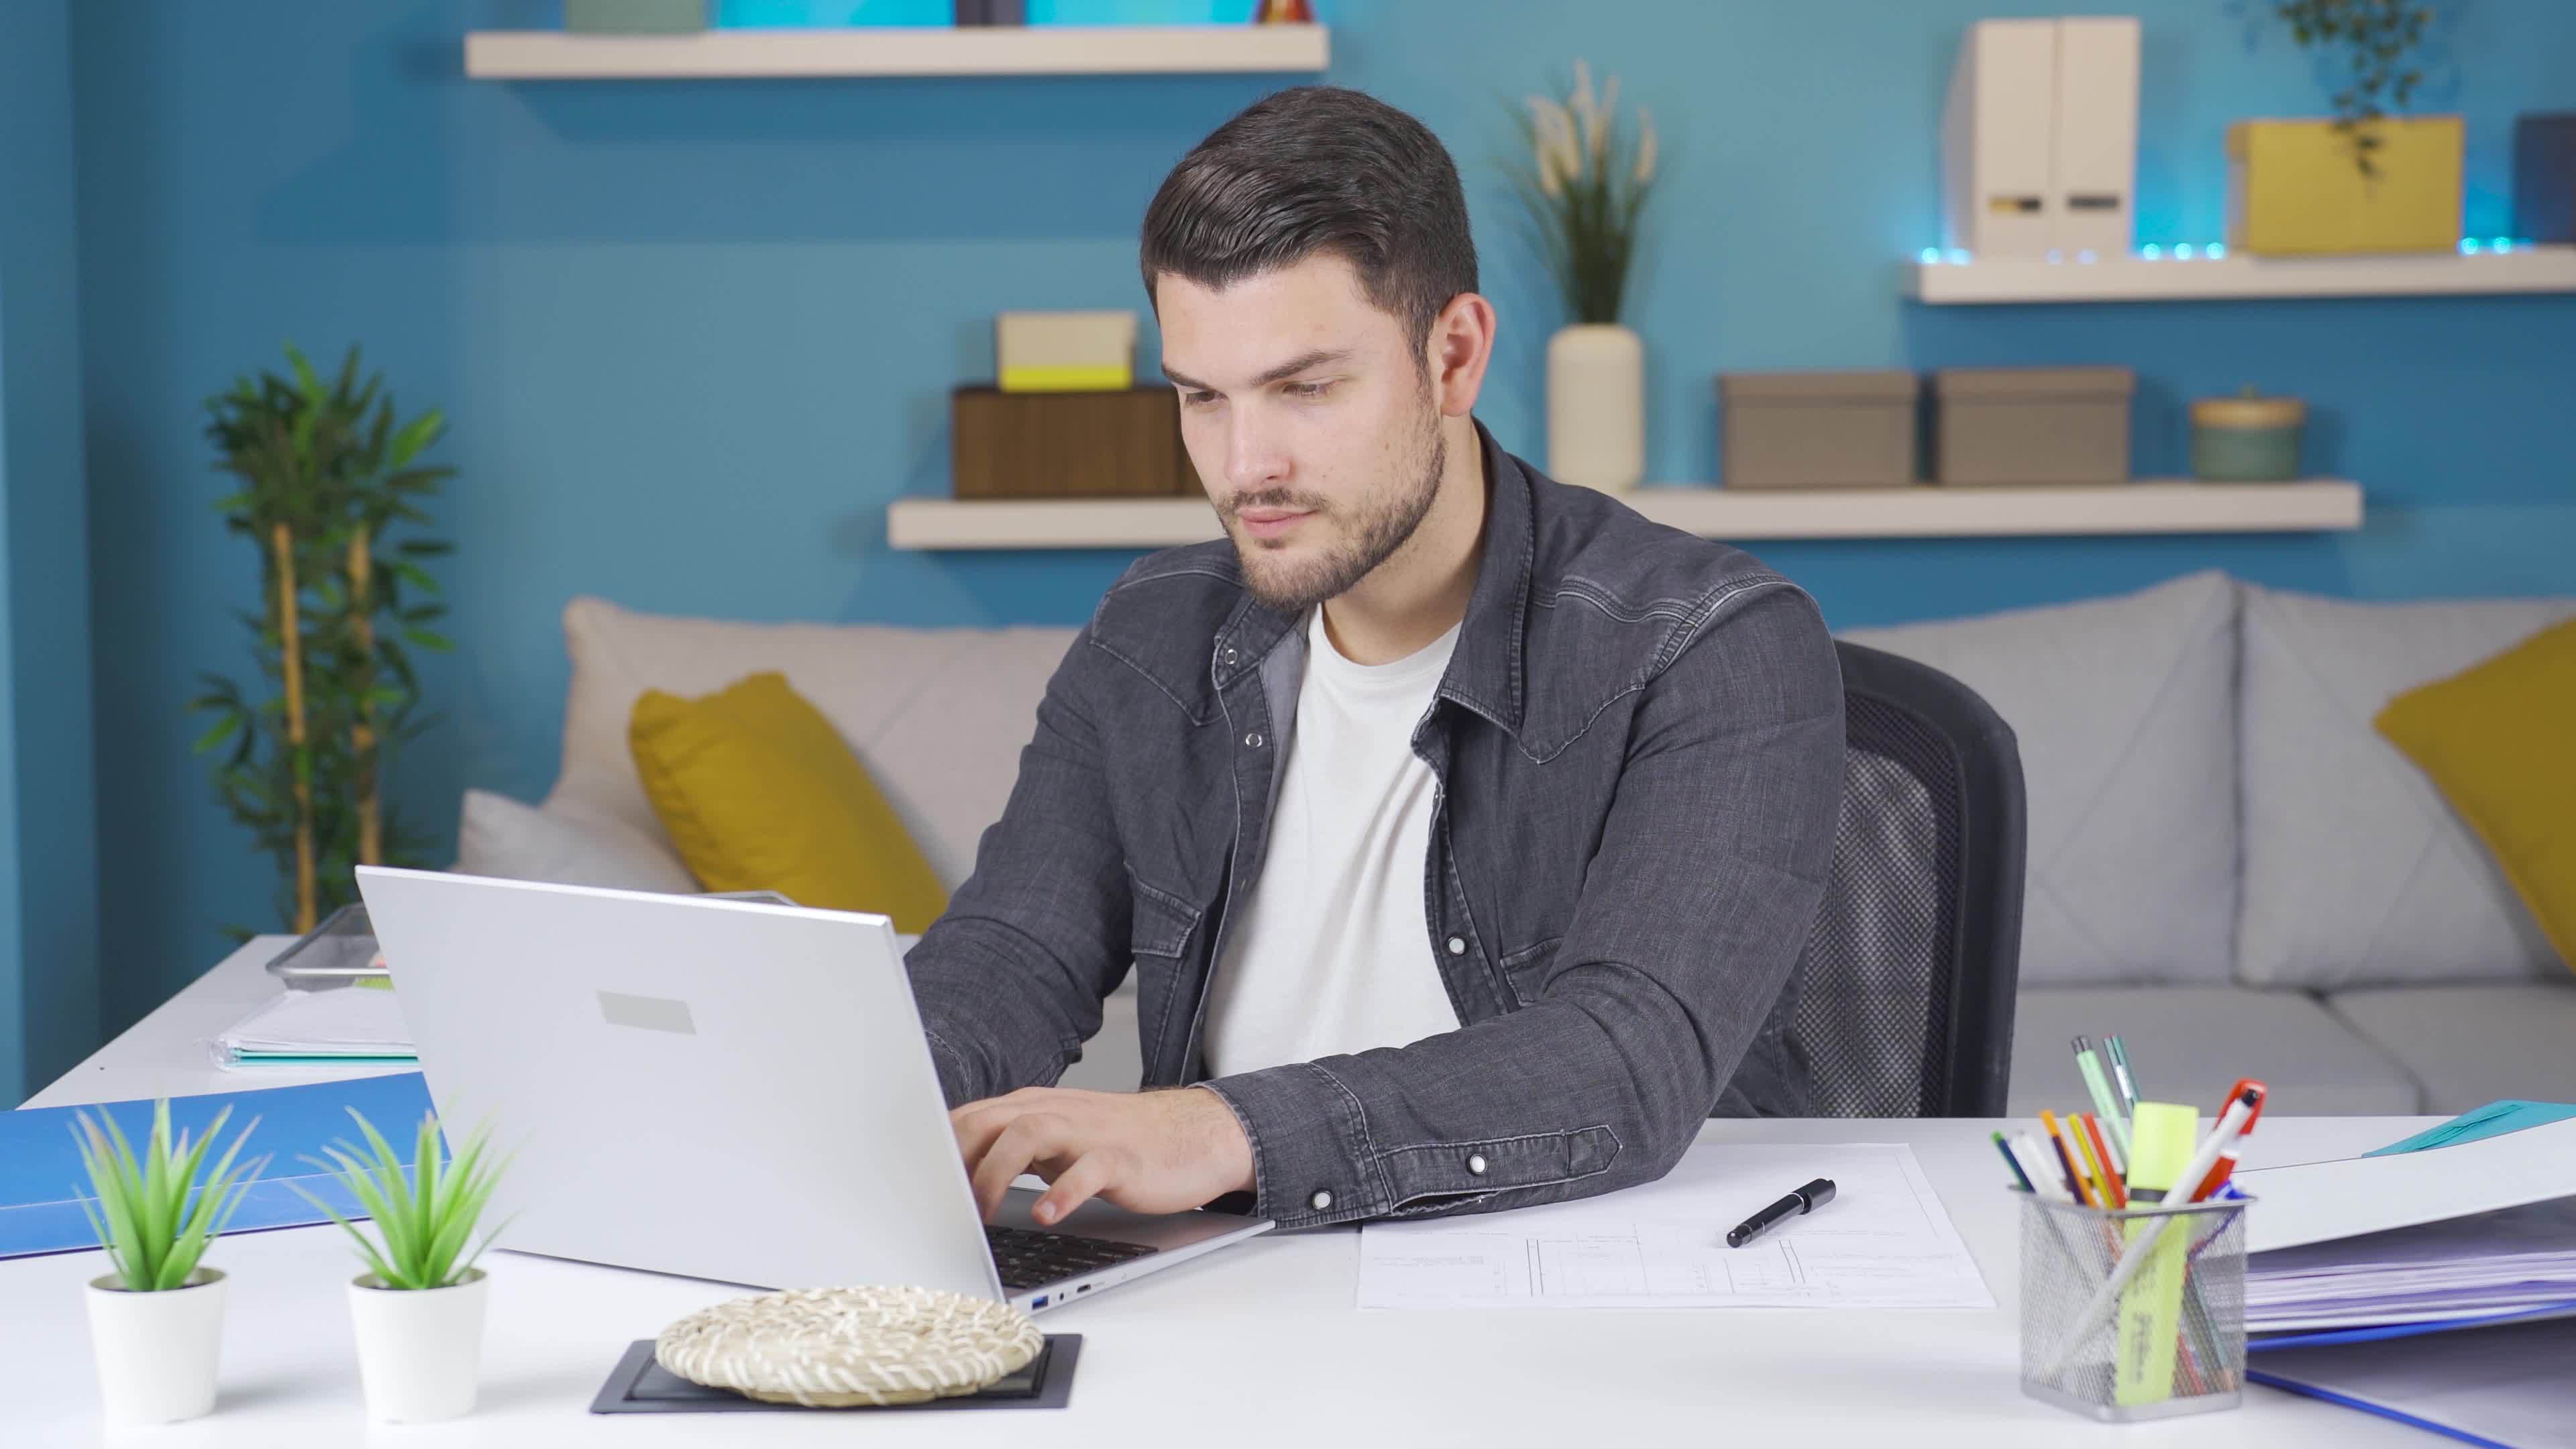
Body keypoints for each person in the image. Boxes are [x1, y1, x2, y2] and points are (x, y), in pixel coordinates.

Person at [908, 85, 1844, 1233]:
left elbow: (1625, 1059)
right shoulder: (1150, 634)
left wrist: (1219, 1128)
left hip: (1599, 1279)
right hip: (1240, 1278)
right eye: (1204, 398)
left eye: (1304, 389)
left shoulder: (1713, 646)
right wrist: (868, 1101)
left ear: (1452, 356)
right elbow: (1013, 949)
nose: (1246, 466)